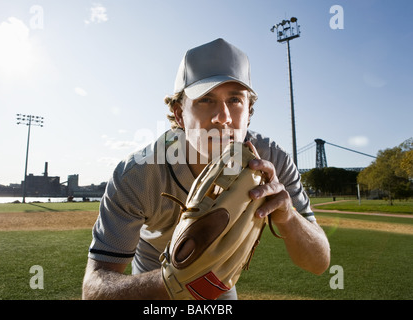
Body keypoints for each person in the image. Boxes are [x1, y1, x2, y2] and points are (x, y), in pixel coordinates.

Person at [82, 38, 330, 300]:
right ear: (179, 114)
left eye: (235, 100)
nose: (222, 116)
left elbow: (318, 262)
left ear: (249, 111)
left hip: (218, 286)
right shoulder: (139, 174)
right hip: (151, 290)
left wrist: (287, 217)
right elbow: (94, 288)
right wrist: (170, 283)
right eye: (206, 99)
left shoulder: (271, 161)